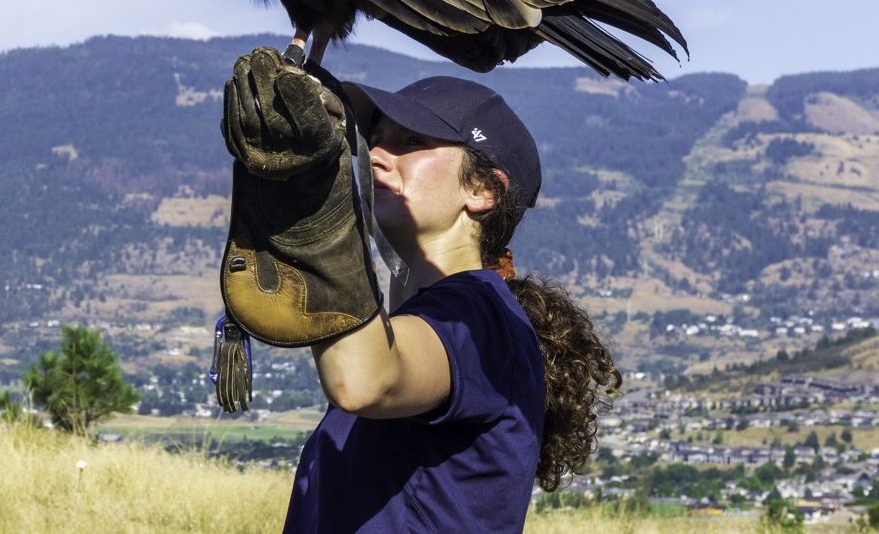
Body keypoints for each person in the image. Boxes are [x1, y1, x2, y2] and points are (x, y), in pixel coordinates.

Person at [217, 49, 620, 534]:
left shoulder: (480, 317)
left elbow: (362, 380)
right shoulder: (427, 327)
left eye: (411, 141)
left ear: (482, 191)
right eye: (376, 139)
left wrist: (312, 207)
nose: (378, 156)